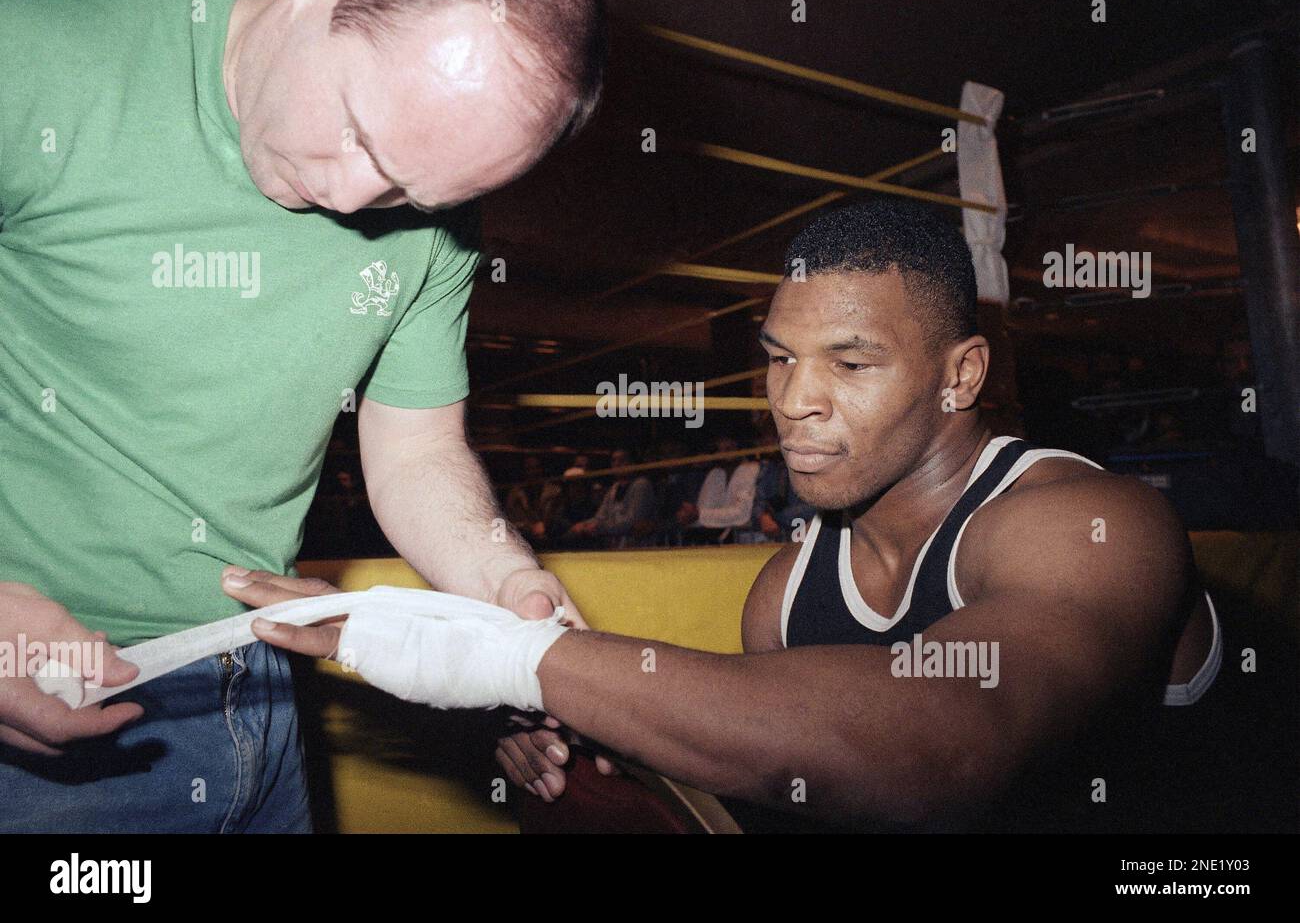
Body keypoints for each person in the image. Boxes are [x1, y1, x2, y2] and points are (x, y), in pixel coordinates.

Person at [232, 199, 1223, 831]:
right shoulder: (787, 592)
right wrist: (579, 745)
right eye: (780, 357)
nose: (793, 399)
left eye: (850, 362)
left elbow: (953, 747)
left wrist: (509, 657)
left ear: (961, 375)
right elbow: (794, 782)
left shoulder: (1093, 523)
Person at [0, 0, 604, 832]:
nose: (355, 200)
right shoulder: (36, 43)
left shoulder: (436, 223)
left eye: (414, 195)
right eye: (360, 131)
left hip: (265, 694)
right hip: (40, 713)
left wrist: (503, 578)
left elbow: (418, 451)